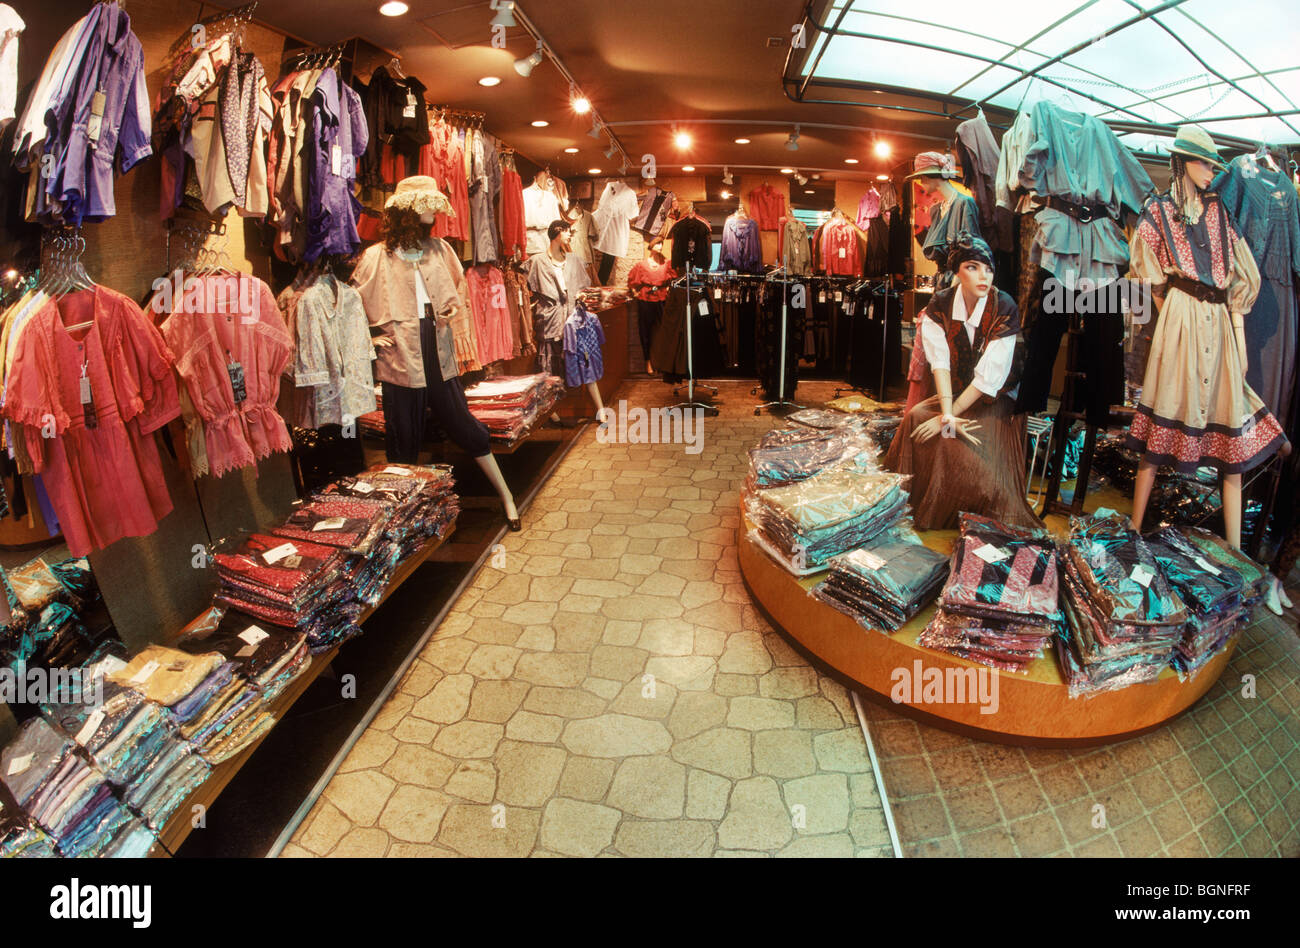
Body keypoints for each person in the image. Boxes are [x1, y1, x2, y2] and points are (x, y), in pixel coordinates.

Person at [1125, 125, 1287, 552]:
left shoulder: (1220, 215)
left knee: (1228, 432)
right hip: (1180, 317)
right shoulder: (1157, 212)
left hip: (1218, 320)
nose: (1209, 171)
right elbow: (1146, 277)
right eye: (1201, 162)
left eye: (1213, 164)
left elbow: (1240, 275)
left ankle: (1234, 551)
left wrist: (1236, 337)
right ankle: (1133, 527)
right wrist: (1172, 319)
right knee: (1160, 427)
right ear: (1179, 162)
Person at [352, 176, 521, 530]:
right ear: (408, 210)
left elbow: (457, 296)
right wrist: (369, 339)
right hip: (399, 351)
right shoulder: (375, 256)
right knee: (402, 438)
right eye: (426, 203)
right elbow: (355, 306)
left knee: (464, 424)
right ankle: (403, 523)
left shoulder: (441, 249)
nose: (433, 209)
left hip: (436, 343)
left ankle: (507, 496)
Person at [883, 234, 1039, 531]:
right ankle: (905, 504)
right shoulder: (939, 304)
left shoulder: (1004, 306)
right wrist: (948, 413)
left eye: (988, 269)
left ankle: (963, 509)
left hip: (996, 397)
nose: (984, 276)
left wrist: (948, 416)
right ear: (957, 271)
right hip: (954, 394)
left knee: (959, 445)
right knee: (916, 419)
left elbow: (989, 377)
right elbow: (939, 365)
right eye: (972, 267)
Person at [904, 151, 983, 415]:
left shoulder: (964, 204)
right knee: (939, 347)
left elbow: (973, 252)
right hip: (943, 284)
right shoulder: (938, 208)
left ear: (932, 177)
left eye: (922, 177)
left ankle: (954, 408)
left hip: (959, 285)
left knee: (955, 348)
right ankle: (938, 404)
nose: (921, 183)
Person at [525, 218, 605, 422]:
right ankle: (551, 413)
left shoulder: (575, 260)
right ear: (557, 233)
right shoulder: (536, 261)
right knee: (549, 368)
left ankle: (600, 409)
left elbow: (583, 288)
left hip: (574, 321)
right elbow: (527, 286)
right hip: (550, 320)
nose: (570, 235)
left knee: (585, 361)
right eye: (567, 231)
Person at [626, 237, 676, 374]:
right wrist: (635, 293)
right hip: (645, 299)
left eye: (661, 243)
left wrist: (668, 288)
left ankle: (664, 362)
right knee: (645, 331)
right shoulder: (641, 265)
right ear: (652, 246)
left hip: (661, 299)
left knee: (664, 330)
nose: (660, 246)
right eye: (658, 243)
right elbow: (631, 281)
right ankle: (648, 362)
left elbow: (673, 279)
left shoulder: (666, 263)